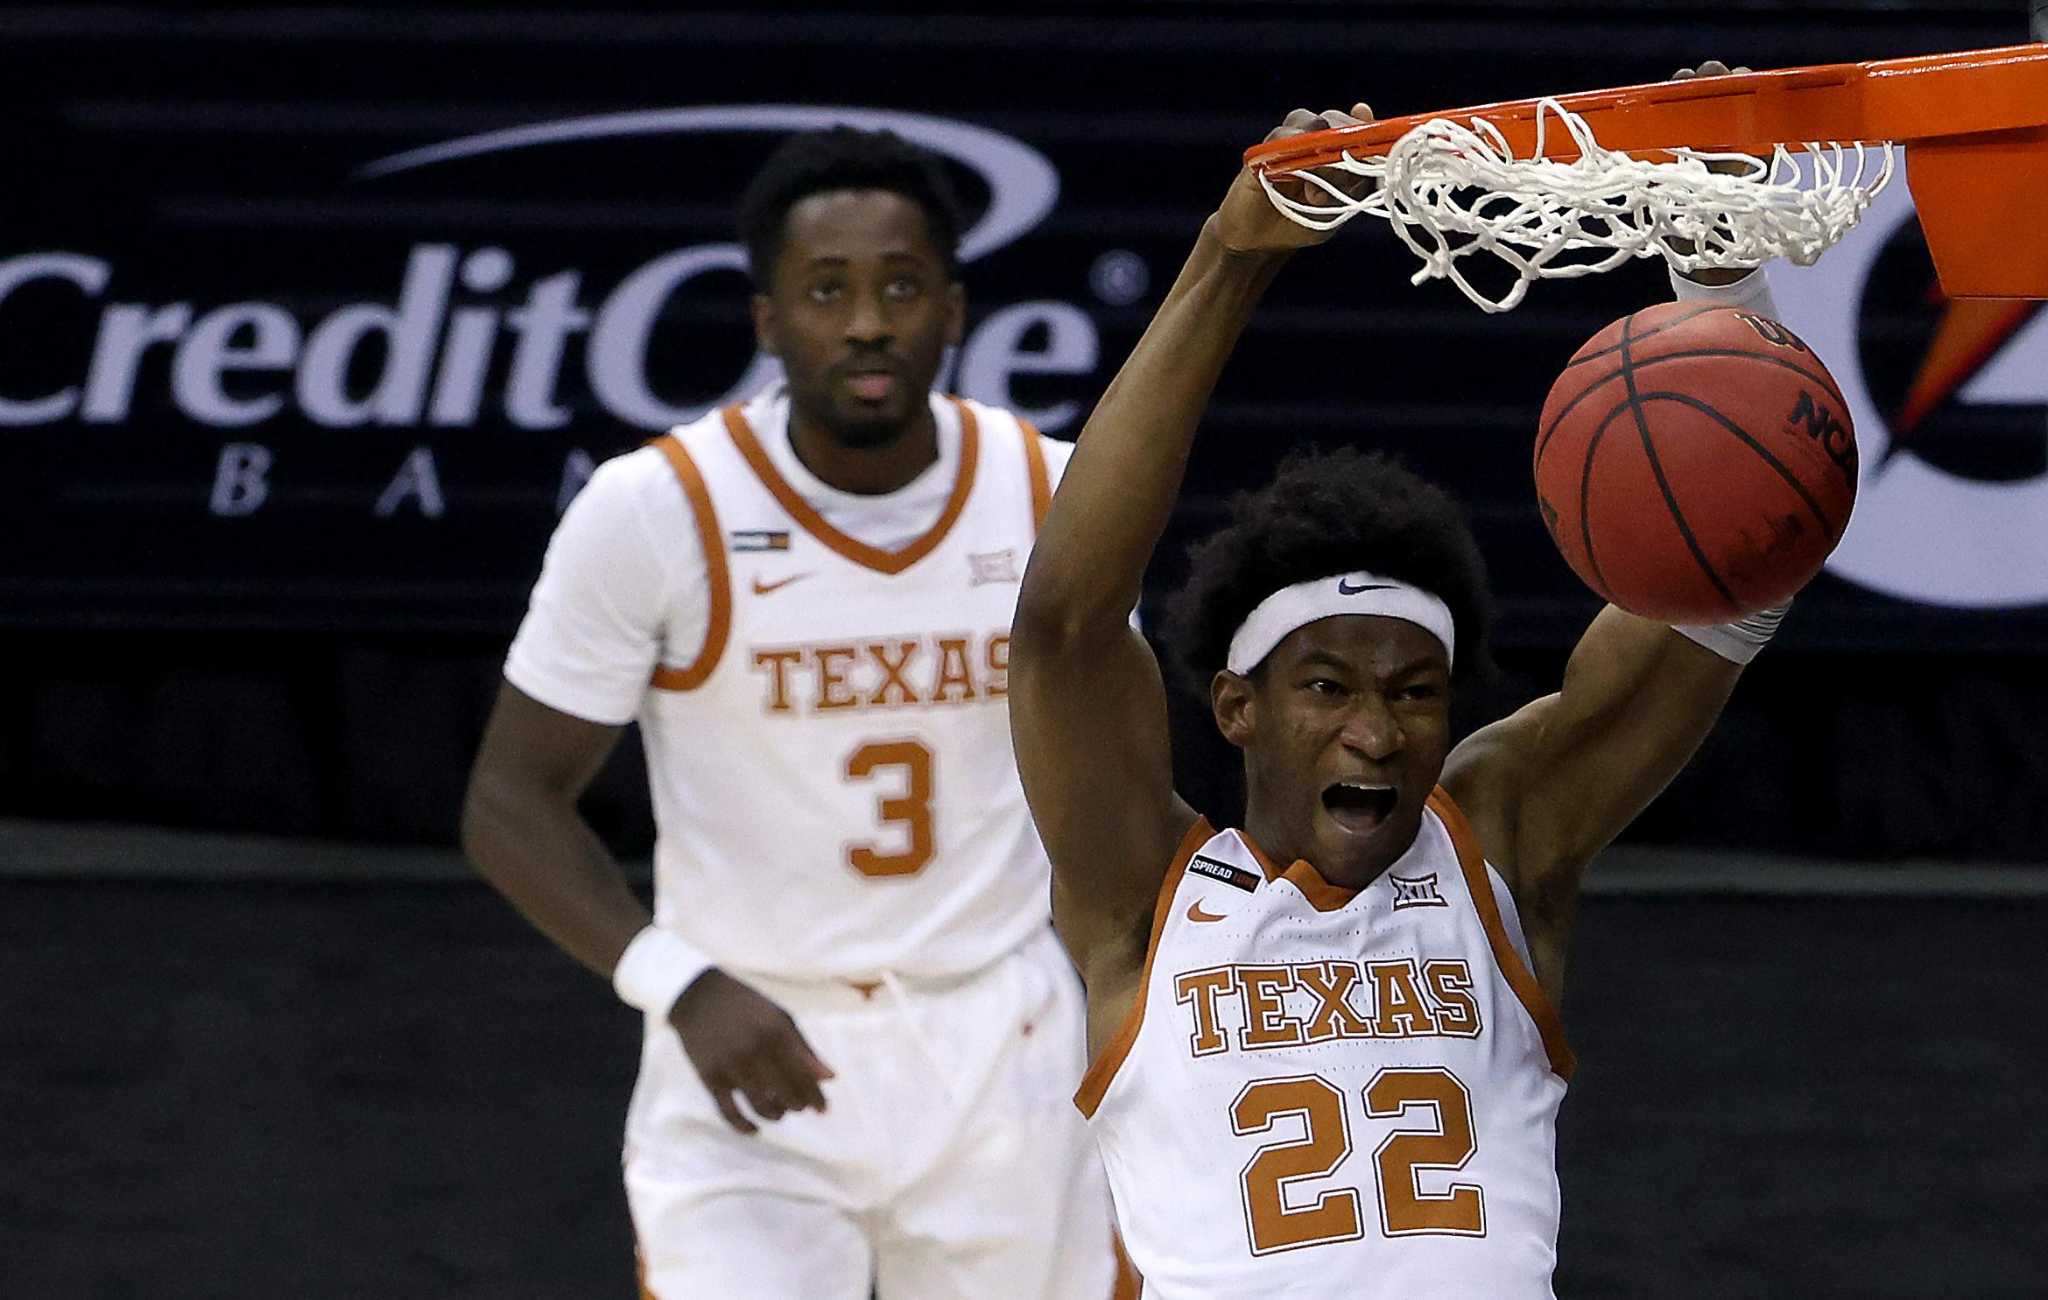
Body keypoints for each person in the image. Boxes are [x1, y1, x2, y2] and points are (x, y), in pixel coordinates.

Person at [1007, 91, 1793, 1298]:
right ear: (1234, 706)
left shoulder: (1497, 845)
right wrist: (1229, 261)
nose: (1374, 729)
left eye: (1414, 691)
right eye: (1325, 685)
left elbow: (1727, 588)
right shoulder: (1144, 904)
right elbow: (1062, 629)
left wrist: (1718, 276)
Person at [463, 126, 1126, 1299]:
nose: (867, 322)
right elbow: (509, 801)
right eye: (827, 290)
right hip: (744, 1033)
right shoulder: (655, 509)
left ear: (954, 309)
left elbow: (1125, 778)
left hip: (1002, 1042)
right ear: (768, 320)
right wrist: (674, 980)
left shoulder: (1050, 492)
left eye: (901, 286)